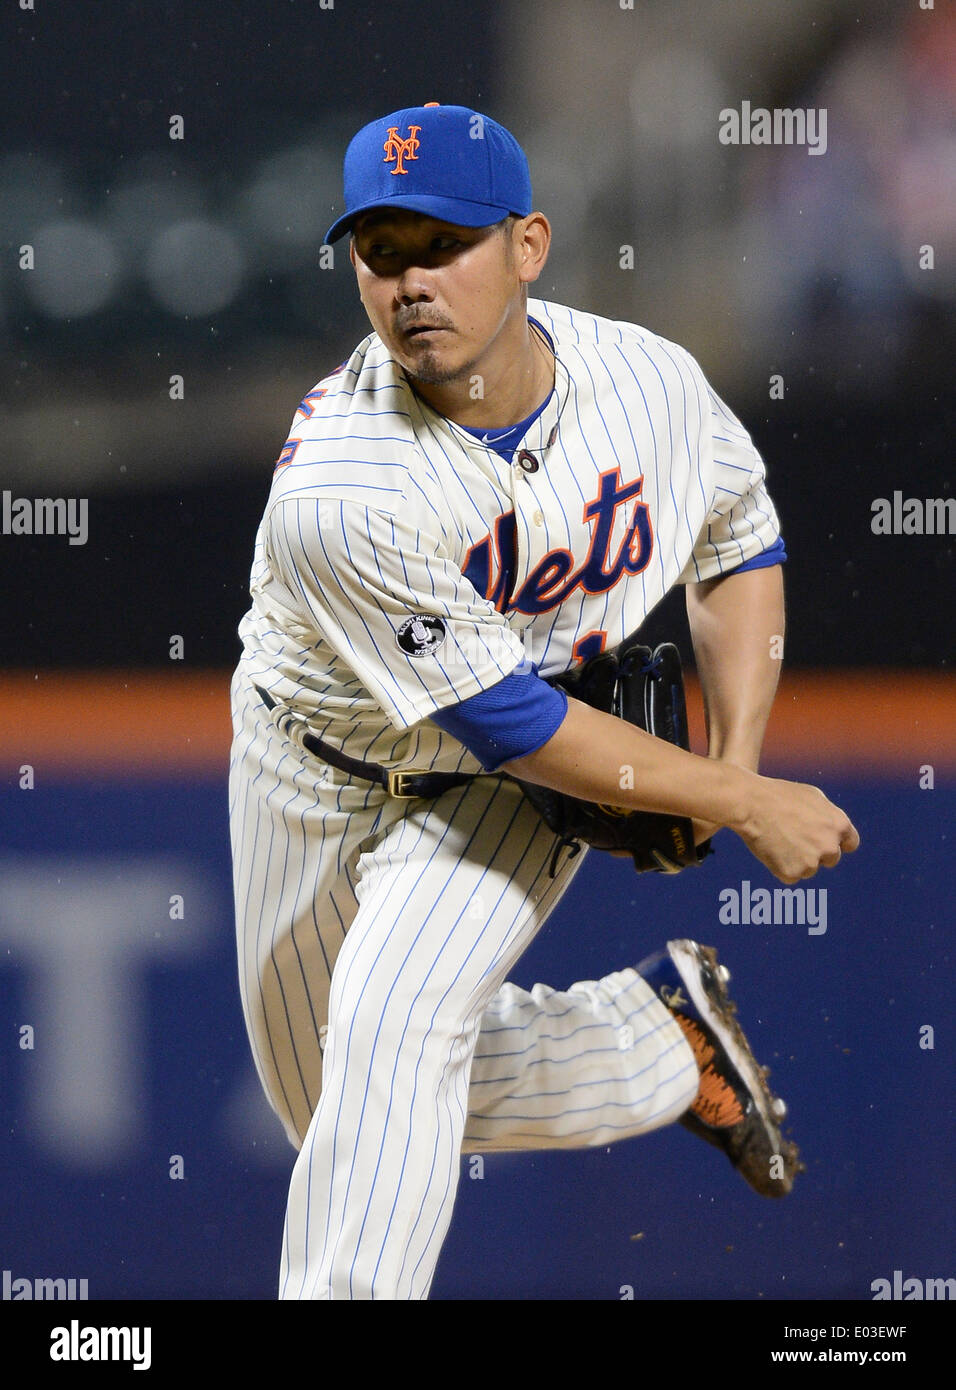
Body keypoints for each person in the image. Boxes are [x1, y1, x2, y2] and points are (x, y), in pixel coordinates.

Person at [228, 103, 859, 1301]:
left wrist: (735, 757)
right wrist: (737, 797)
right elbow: (506, 718)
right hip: (314, 764)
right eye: (382, 252)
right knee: (331, 1099)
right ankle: (657, 1042)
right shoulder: (342, 490)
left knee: (392, 1023)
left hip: (511, 786)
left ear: (528, 245)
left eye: (444, 243)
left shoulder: (644, 383)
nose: (411, 282)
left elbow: (736, 537)